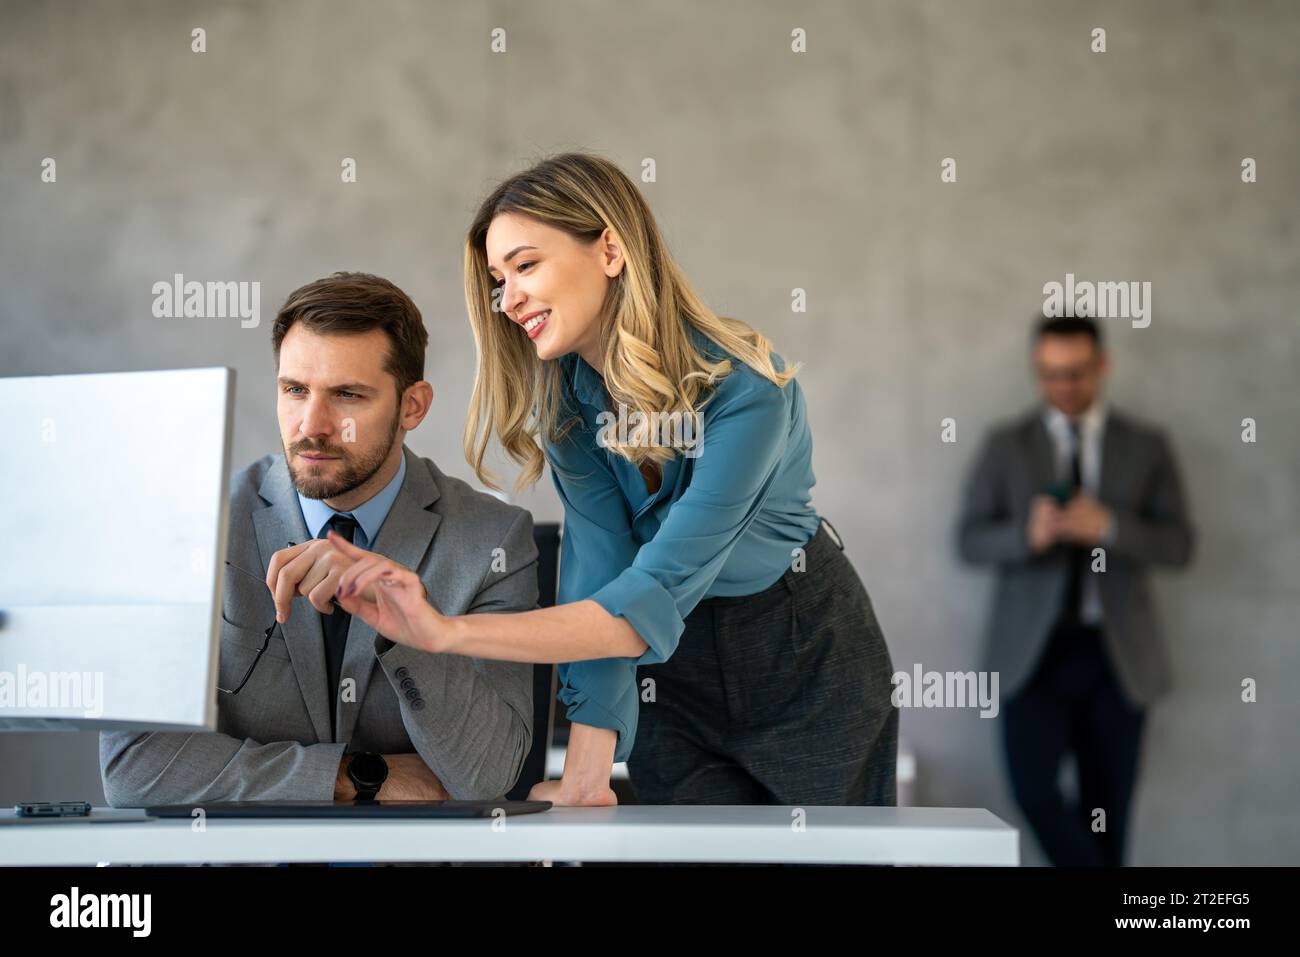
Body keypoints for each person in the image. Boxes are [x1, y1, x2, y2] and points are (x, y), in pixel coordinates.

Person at [325, 152, 898, 809]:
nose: (507, 299)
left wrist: (444, 632)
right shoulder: (570, 403)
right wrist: (587, 775)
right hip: (668, 672)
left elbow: (644, 601)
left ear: (611, 250)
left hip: (803, 655)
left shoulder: (747, 390)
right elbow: (602, 575)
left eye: (526, 264)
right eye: (497, 278)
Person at [100, 272, 538, 807]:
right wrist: (360, 779)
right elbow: (136, 768)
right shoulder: (188, 522)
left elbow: (487, 773)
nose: (312, 425)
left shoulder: (493, 541)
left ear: (412, 407)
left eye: (347, 395)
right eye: (295, 390)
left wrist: (408, 628)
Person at [957, 314, 1195, 865]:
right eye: (1048, 374)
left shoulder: (1147, 446)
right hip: (1031, 656)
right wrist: (1027, 535)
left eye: (1075, 373)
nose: (1062, 387)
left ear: (1102, 366)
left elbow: (1180, 546)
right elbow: (968, 542)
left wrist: (1109, 527)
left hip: (1117, 657)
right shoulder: (1006, 445)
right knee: (1033, 793)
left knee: (1108, 811)